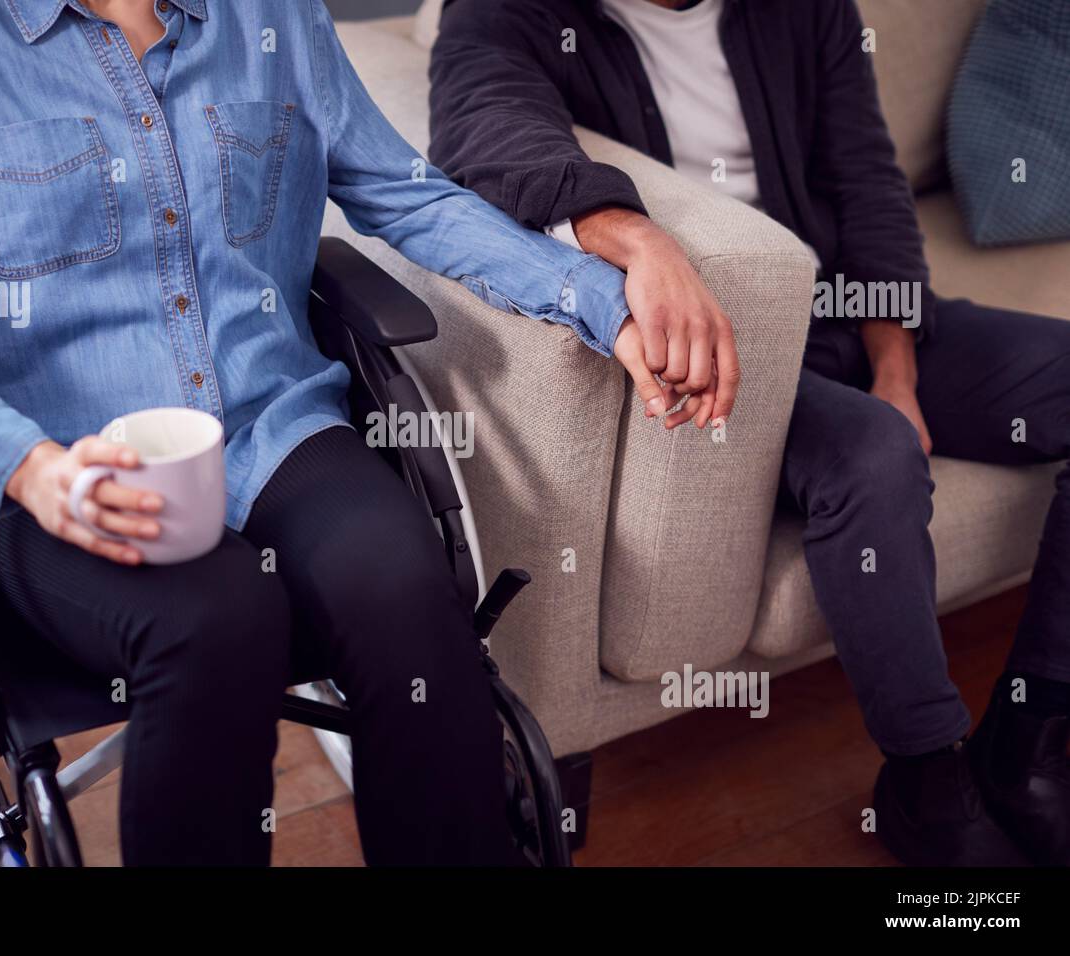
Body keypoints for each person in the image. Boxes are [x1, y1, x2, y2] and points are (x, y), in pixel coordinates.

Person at [0, 0, 718, 866]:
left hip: (274, 425)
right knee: (215, 618)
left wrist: (602, 302)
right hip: (66, 470)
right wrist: (33, 469)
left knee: (405, 591)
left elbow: (407, 198)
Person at [428, 0, 1070, 866]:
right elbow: (484, 132)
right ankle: (927, 783)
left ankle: (1031, 742)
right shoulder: (512, 12)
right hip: (732, 350)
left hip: (849, 308)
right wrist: (644, 242)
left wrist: (897, 371)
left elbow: (866, 177)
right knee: (873, 456)